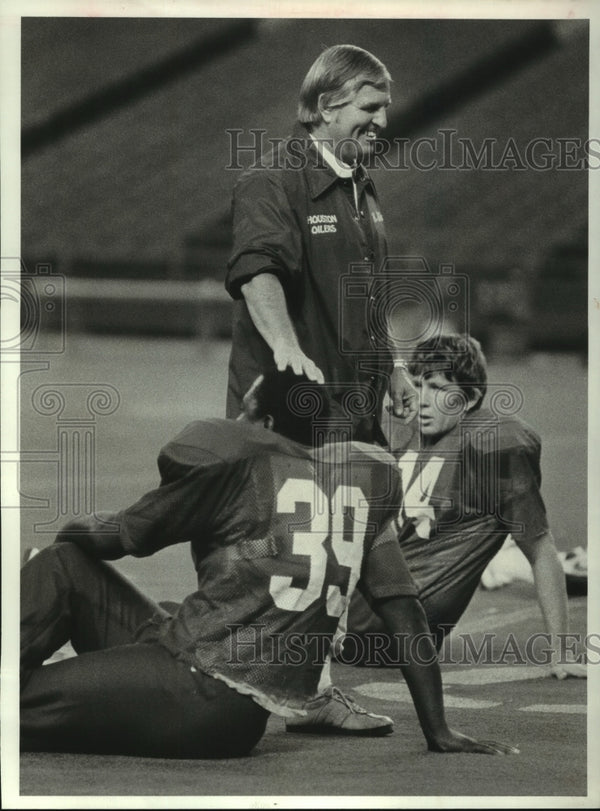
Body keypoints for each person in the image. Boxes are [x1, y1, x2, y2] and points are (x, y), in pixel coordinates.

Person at [21, 370, 519, 758]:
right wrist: (439, 729)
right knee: (79, 574)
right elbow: (406, 615)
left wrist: (71, 529)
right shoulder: (361, 484)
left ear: (269, 426)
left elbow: (118, 537)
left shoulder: (242, 462)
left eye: (247, 411)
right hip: (229, 699)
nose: (237, 421)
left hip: (198, 688)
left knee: (54, 584)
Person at [346, 334, 587, 680]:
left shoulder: (493, 443)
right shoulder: (400, 429)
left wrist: (560, 651)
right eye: (417, 385)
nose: (423, 400)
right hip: (348, 616)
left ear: (470, 398)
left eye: (439, 388)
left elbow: (540, 548)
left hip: (383, 634)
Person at [225, 44, 418, 444]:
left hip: (355, 421)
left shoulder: (360, 184)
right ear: (327, 106)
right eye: (369, 108)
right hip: (289, 421)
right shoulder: (271, 180)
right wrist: (285, 347)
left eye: (385, 107)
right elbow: (258, 272)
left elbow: (371, 292)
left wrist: (394, 364)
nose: (381, 120)